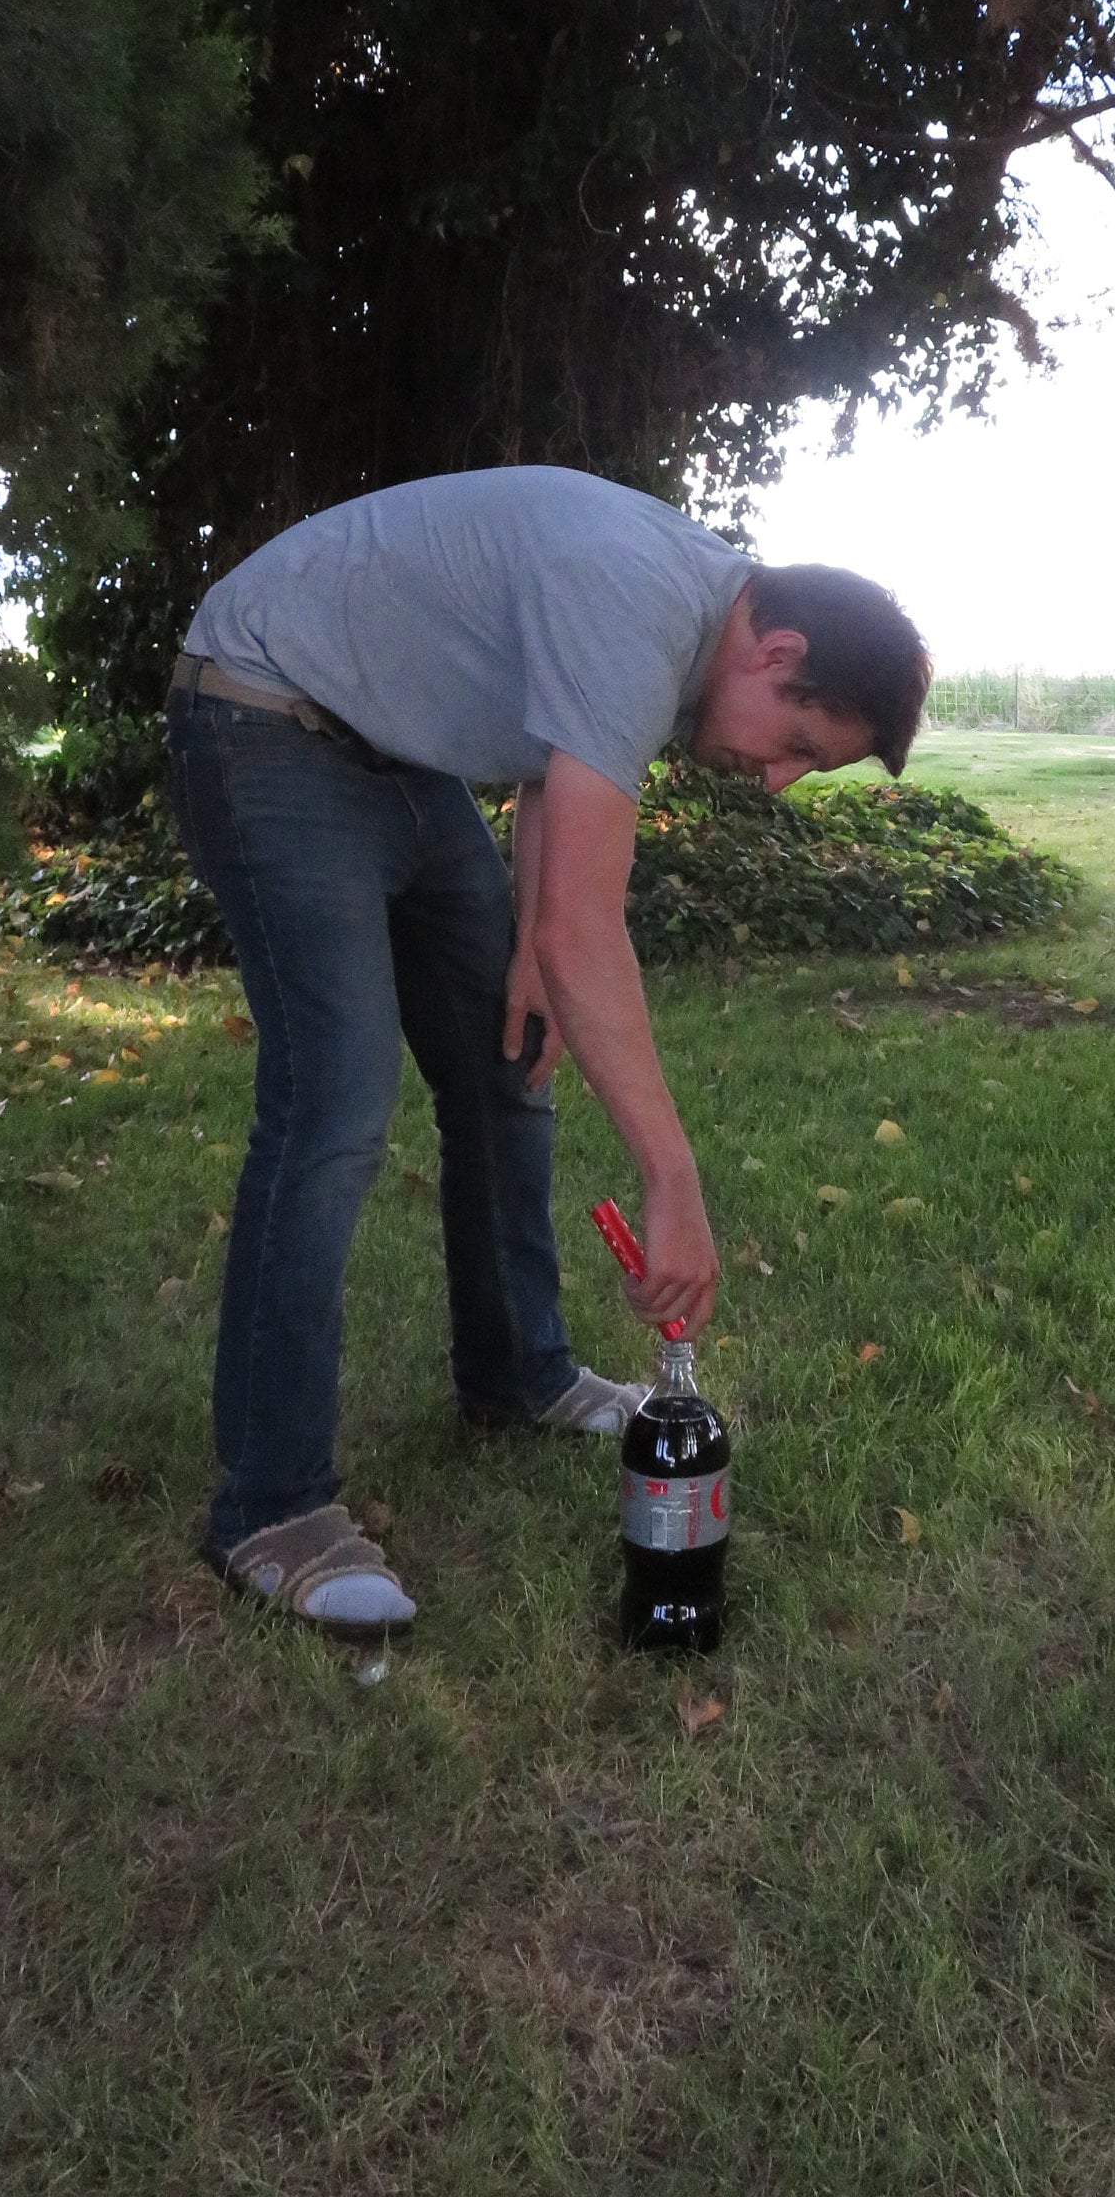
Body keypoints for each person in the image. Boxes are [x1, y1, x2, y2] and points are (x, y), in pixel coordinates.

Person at [164, 464, 931, 1635]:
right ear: (776, 651)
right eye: (796, 745)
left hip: (396, 752)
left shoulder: (683, 621)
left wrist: (531, 938)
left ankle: (518, 1371)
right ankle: (268, 1508)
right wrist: (673, 1181)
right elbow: (588, 928)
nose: (777, 782)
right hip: (266, 714)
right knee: (335, 1103)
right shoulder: (639, 596)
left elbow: (551, 778)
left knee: (511, 1052)